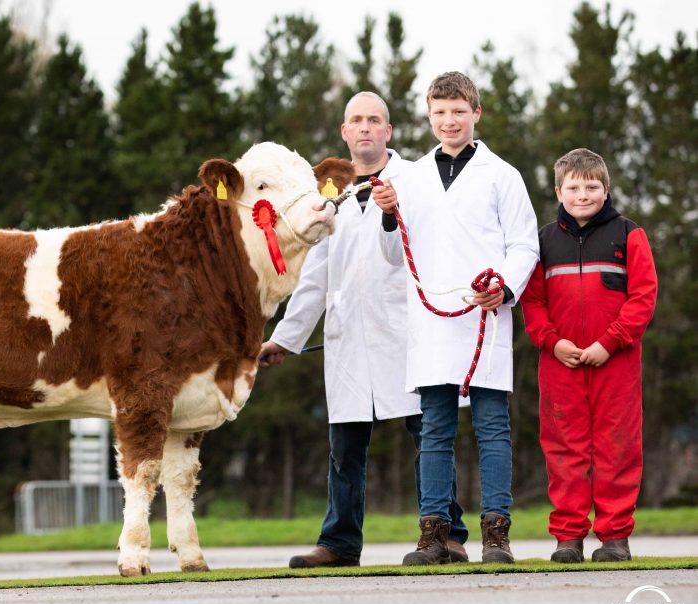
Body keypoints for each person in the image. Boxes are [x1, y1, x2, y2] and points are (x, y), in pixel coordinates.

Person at [259, 91, 469, 569]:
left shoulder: (418, 179)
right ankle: (339, 543)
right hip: (349, 336)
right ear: (344, 132)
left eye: (375, 120)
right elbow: (315, 275)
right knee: (345, 448)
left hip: (409, 332)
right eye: (357, 120)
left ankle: (448, 535)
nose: (366, 128)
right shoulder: (325, 194)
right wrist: (286, 339)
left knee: (429, 435)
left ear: (389, 131)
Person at [372, 71, 539, 565]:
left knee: (492, 427)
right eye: (440, 112)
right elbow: (391, 255)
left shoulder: (501, 175)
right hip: (431, 321)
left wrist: (505, 286)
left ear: (475, 114)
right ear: (429, 115)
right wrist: (387, 215)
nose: (449, 120)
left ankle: (496, 535)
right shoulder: (407, 179)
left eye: (458, 111)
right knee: (434, 429)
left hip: (484, 315)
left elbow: (524, 243)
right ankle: (434, 534)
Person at [520, 148, 657, 563]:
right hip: (560, 362)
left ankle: (615, 537)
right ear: (559, 190)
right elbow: (532, 301)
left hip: (615, 362)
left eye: (592, 187)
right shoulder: (541, 241)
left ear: (606, 189)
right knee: (564, 449)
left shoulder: (629, 234)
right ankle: (568, 537)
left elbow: (643, 297)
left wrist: (609, 342)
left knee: (618, 446)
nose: (583, 195)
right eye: (574, 187)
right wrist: (552, 341)